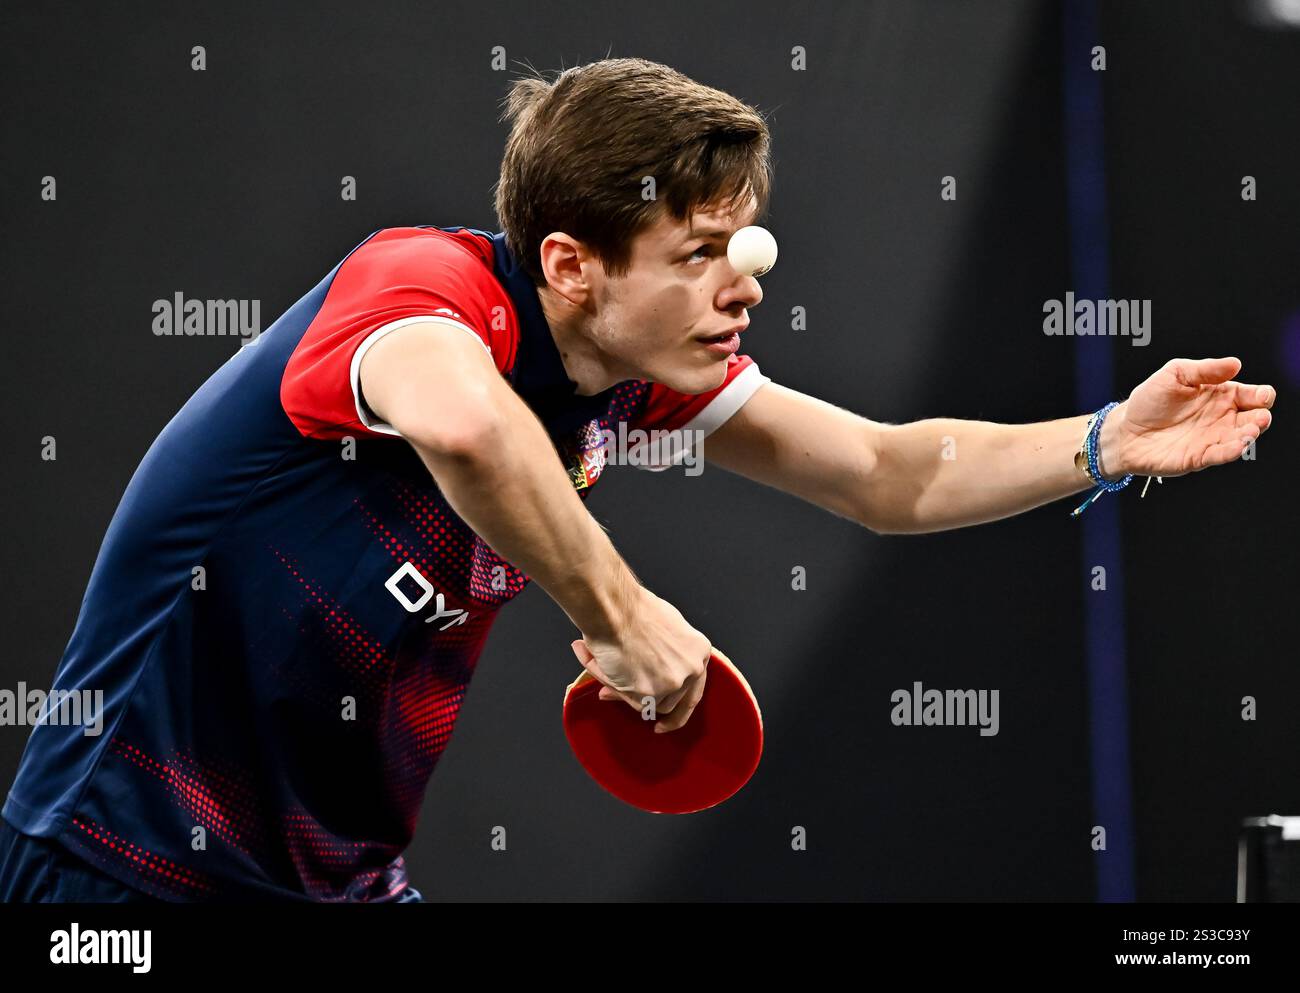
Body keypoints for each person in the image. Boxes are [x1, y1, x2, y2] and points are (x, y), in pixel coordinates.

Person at [0, 57, 1275, 903]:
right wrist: (628, 618)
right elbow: (471, 434)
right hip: (117, 866)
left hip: (333, 878)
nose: (747, 280)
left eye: (747, 242)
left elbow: (888, 473)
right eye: (701, 249)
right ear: (570, 263)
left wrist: (1107, 435)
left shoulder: (629, 373)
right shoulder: (416, 296)